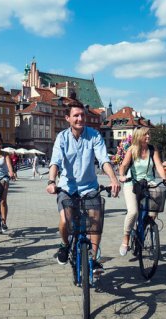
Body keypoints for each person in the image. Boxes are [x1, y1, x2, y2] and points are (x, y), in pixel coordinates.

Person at [47, 99, 120, 273]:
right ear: (68, 118)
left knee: (95, 223)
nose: (80, 118)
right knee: (65, 221)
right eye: (76, 115)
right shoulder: (62, 137)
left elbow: (103, 159)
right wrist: (51, 181)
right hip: (67, 188)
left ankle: (93, 259)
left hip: (89, 188)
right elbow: (55, 161)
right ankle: (65, 245)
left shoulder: (94, 135)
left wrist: (114, 179)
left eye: (82, 115)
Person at [117, 127, 166, 256]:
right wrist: (122, 176)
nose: (148, 137)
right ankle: (126, 238)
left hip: (149, 182)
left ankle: (145, 227)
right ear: (139, 136)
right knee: (133, 212)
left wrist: (164, 179)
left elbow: (159, 166)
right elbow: (123, 166)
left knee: (154, 209)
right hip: (132, 182)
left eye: (149, 134)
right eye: (145, 135)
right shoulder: (132, 150)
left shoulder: (152, 150)